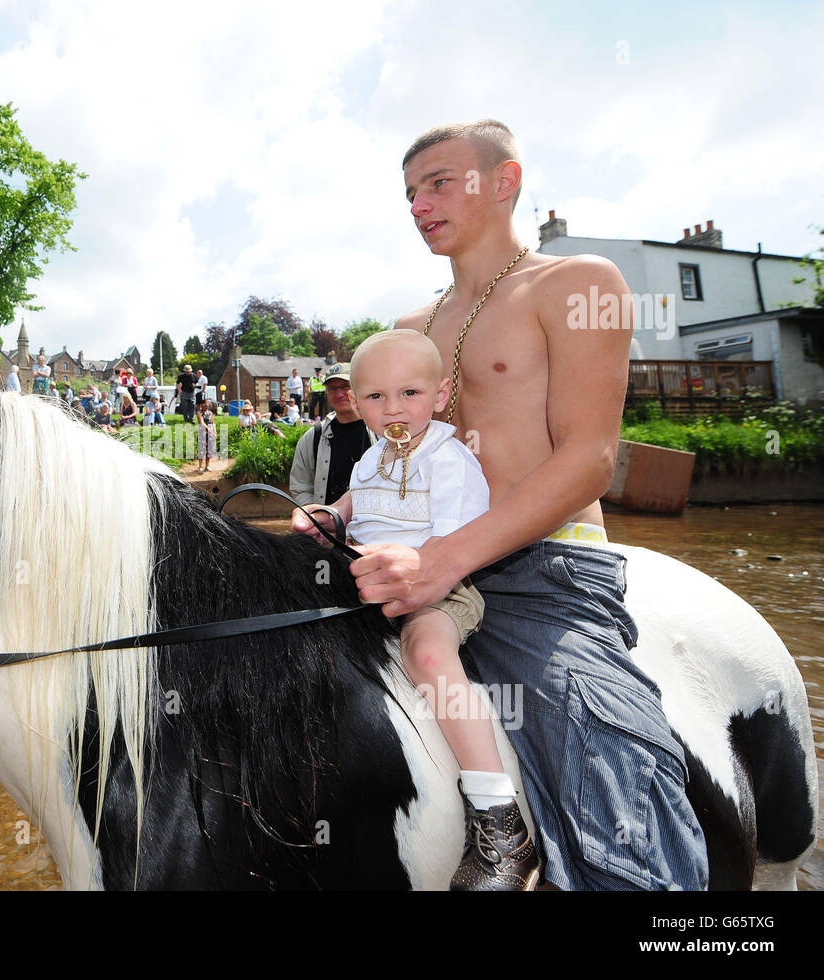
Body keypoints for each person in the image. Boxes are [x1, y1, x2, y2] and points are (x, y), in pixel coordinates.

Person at [314, 118, 707, 891]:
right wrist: (336, 516)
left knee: (608, 771)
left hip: (545, 568)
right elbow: (396, 458)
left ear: (505, 181)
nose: (419, 205)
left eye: (438, 183)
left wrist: (443, 562)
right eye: (410, 192)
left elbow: (590, 459)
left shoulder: (578, 285)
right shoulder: (409, 329)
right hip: (412, 564)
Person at [298, 329, 534, 889]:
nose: (394, 409)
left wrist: (399, 559)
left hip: (440, 586)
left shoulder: (448, 458)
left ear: (440, 394)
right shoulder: (371, 456)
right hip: (368, 580)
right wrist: (331, 515)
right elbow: (357, 500)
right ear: (356, 403)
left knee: (428, 654)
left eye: (409, 393)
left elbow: (455, 542)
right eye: (376, 397)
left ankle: (498, 815)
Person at [289, 365, 374, 507]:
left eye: (345, 386)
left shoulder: (380, 432)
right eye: (333, 389)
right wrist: (318, 515)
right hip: (328, 520)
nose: (339, 394)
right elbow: (300, 487)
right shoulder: (313, 438)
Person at [195, 398, 216, 473]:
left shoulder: (211, 413)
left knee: (209, 450)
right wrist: (208, 429)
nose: (206, 405)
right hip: (202, 433)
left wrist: (215, 432)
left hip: (210, 433)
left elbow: (213, 423)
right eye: (205, 404)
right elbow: (201, 422)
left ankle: (207, 466)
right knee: (201, 450)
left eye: (207, 404)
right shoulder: (199, 413)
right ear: (202, 405)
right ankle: (200, 467)